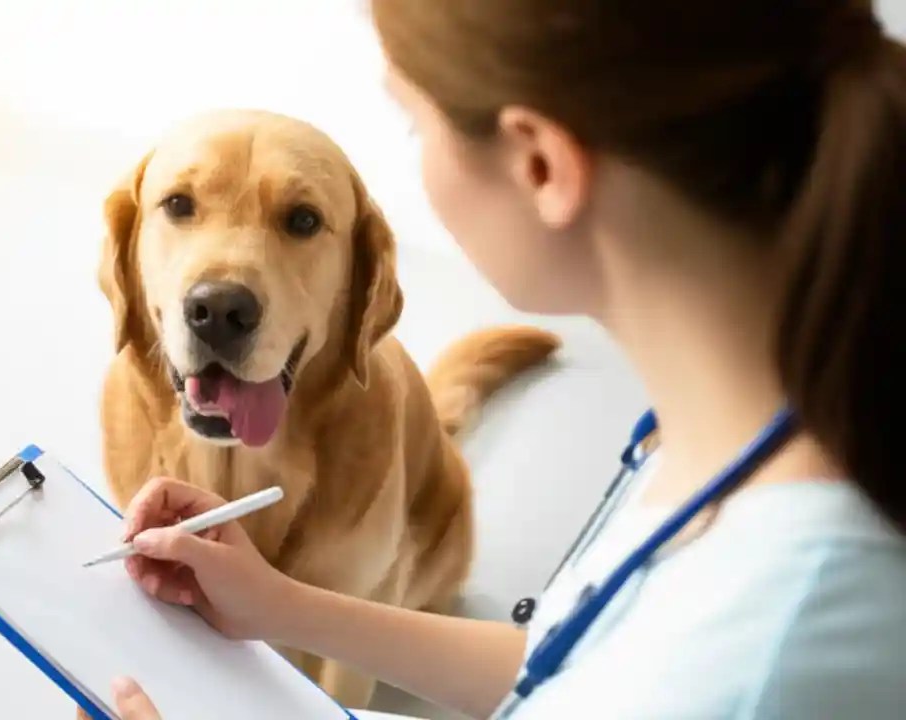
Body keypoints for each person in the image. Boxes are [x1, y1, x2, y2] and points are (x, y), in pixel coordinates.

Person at [104, 0, 906, 717]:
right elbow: (578, 665)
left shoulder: (778, 642)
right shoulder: (726, 432)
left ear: (538, 164)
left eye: (417, 125)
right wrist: (282, 607)